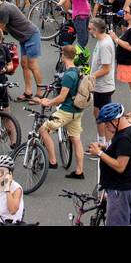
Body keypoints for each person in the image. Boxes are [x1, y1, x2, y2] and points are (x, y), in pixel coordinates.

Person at [32, 43, 86, 178]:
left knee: (43, 129)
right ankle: (79, 171)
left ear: (63, 56)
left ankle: (52, 161)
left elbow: (62, 97)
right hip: (77, 111)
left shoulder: (68, 75)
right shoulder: (78, 71)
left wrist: (48, 101)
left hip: (66, 111)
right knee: (76, 139)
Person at [90, 102, 131, 226]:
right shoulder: (130, 129)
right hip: (125, 188)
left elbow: (120, 166)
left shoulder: (124, 138)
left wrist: (100, 153)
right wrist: (105, 147)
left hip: (120, 191)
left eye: (107, 123)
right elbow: (120, 150)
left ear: (116, 121)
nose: (106, 127)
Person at [88, 17, 116, 116]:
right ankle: (101, 132)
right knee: (97, 112)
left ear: (96, 30)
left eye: (89, 29)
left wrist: (91, 76)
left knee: (103, 115)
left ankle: (104, 132)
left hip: (103, 87)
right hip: (99, 86)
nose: (89, 31)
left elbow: (106, 69)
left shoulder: (104, 45)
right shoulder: (102, 39)